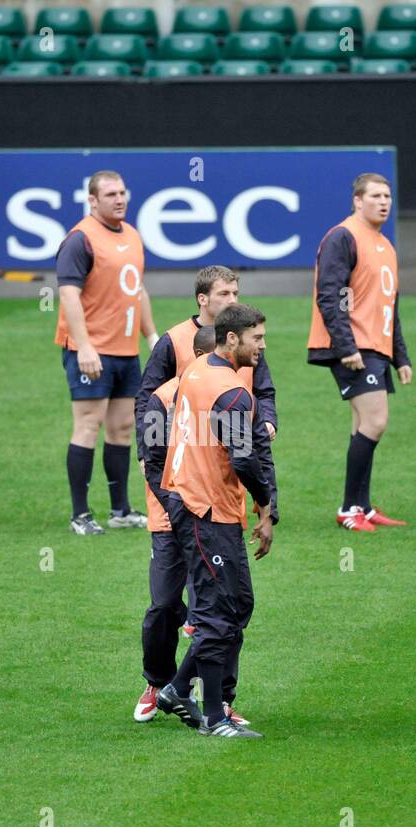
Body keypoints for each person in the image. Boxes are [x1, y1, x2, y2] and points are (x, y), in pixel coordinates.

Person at [133, 322, 278, 726]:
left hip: (206, 509)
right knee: (205, 612)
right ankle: (214, 714)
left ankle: (178, 688)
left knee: (235, 606)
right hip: (201, 511)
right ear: (231, 340)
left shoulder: (195, 377)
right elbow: (245, 457)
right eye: (258, 338)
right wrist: (265, 506)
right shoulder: (224, 390)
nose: (264, 346)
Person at [307, 173, 412, 532]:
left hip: (375, 347)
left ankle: (362, 507)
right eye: (375, 196)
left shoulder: (385, 245)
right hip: (354, 347)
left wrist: (401, 356)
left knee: (364, 424)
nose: (384, 202)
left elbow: (390, 305)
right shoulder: (343, 236)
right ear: (357, 201)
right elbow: (329, 294)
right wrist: (345, 346)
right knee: (376, 421)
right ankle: (349, 508)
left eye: (388, 196)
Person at [55, 170, 158, 535]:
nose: (119, 199)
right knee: (87, 425)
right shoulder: (80, 239)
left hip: (125, 349)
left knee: (122, 428)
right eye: (110, 194)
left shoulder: (132, 235)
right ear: (93, 200)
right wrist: (84, 345)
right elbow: (68, 294)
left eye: (122, 192)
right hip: (92, 350)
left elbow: (138, 289)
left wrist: (151, 336)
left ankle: (121, 510)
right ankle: (80, 515)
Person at [136, 264, 277, 444]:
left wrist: (268, 420)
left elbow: (263, 391)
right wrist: (147, 455)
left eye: (235, 293)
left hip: (240, 443)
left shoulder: (246, 339)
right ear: (202, 299)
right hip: (190, 447)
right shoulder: (173, 340)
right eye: (224, 294)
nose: (233, 300)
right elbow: (148, 398)